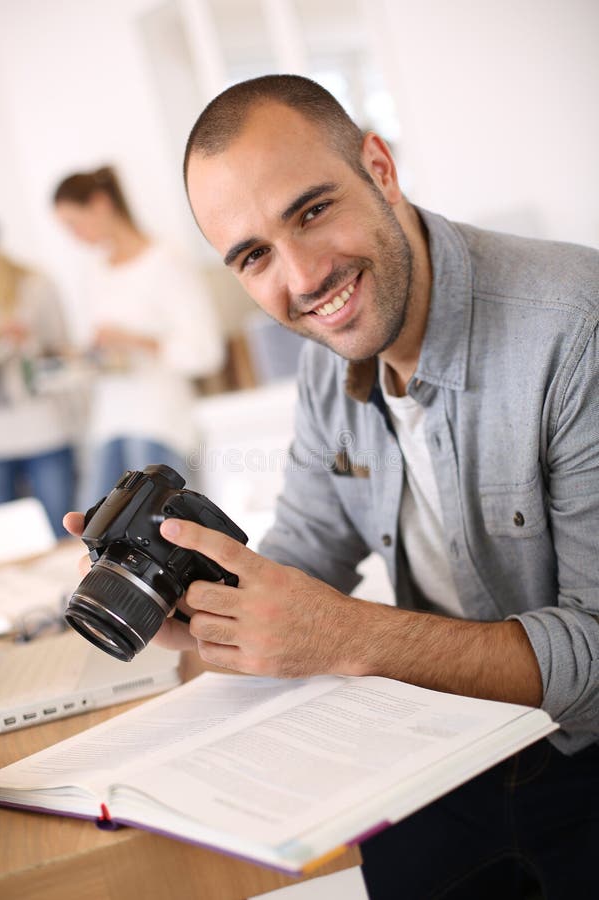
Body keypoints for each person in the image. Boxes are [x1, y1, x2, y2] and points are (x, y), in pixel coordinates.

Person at [65, 76, 599, 898]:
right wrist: (201, 611)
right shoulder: (330, 368)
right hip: (444, 751)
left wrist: (345, 635)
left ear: (380, 167)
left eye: (311, 211)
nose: (304, 278)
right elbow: (307, 549)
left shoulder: (574, 327)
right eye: (253, 256)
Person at [53, 166, 225, 505]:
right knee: (91, 523)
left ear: (100, 204)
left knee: (154, 527)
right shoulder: (95, 271)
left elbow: (206, 352)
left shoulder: (166, 260)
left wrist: (136, 341)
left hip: (158, 420)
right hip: (110, 422)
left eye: (74, 223)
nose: (74, 236)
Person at [0, 246, 75, 535]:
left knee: (62, 530)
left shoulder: (35, 285)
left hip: (44, 430)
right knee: (6, 540)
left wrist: (27, 342)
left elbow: (62, 351)